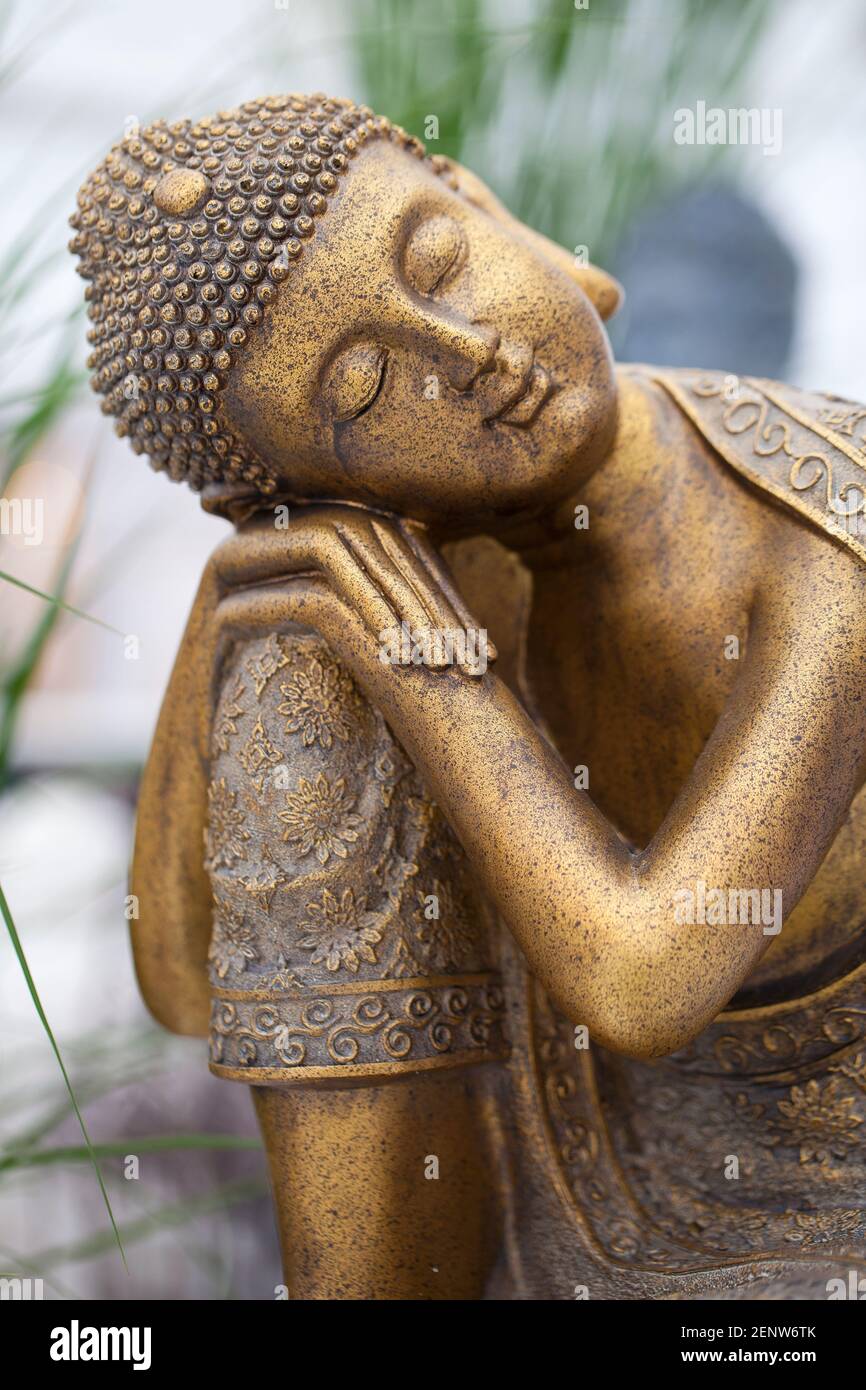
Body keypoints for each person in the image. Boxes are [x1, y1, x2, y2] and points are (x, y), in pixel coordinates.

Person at [72, 92, 866, 1300]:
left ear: (484, 203)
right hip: (575, 1204)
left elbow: (644, 984)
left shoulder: (822, 532)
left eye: (436, 258)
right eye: (361, 389)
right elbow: (183, 988)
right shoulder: (413, 556)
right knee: (296, 672)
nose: (465, 353)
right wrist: (244, 577)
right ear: (314, 484)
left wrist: (433, 671)